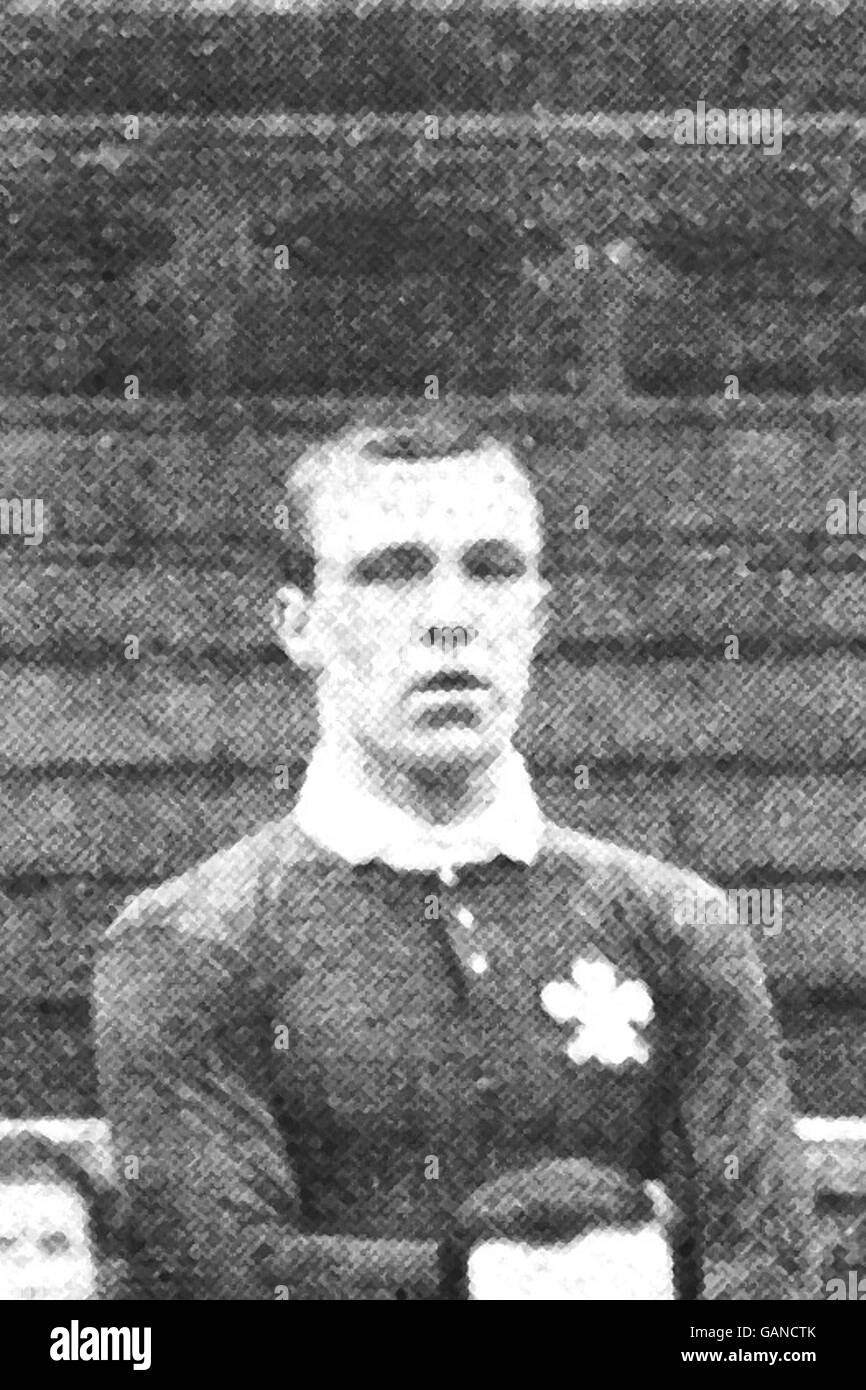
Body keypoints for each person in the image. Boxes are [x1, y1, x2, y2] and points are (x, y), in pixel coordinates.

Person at [94, 406, 817, 1299]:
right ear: (298, 624)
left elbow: (774, 1281)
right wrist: (503, 1279)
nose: (448, 619)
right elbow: (221, 1279)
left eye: (492, 569)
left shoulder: (674, 921)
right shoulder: (188, 943)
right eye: (392, 573)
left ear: (539, 617)